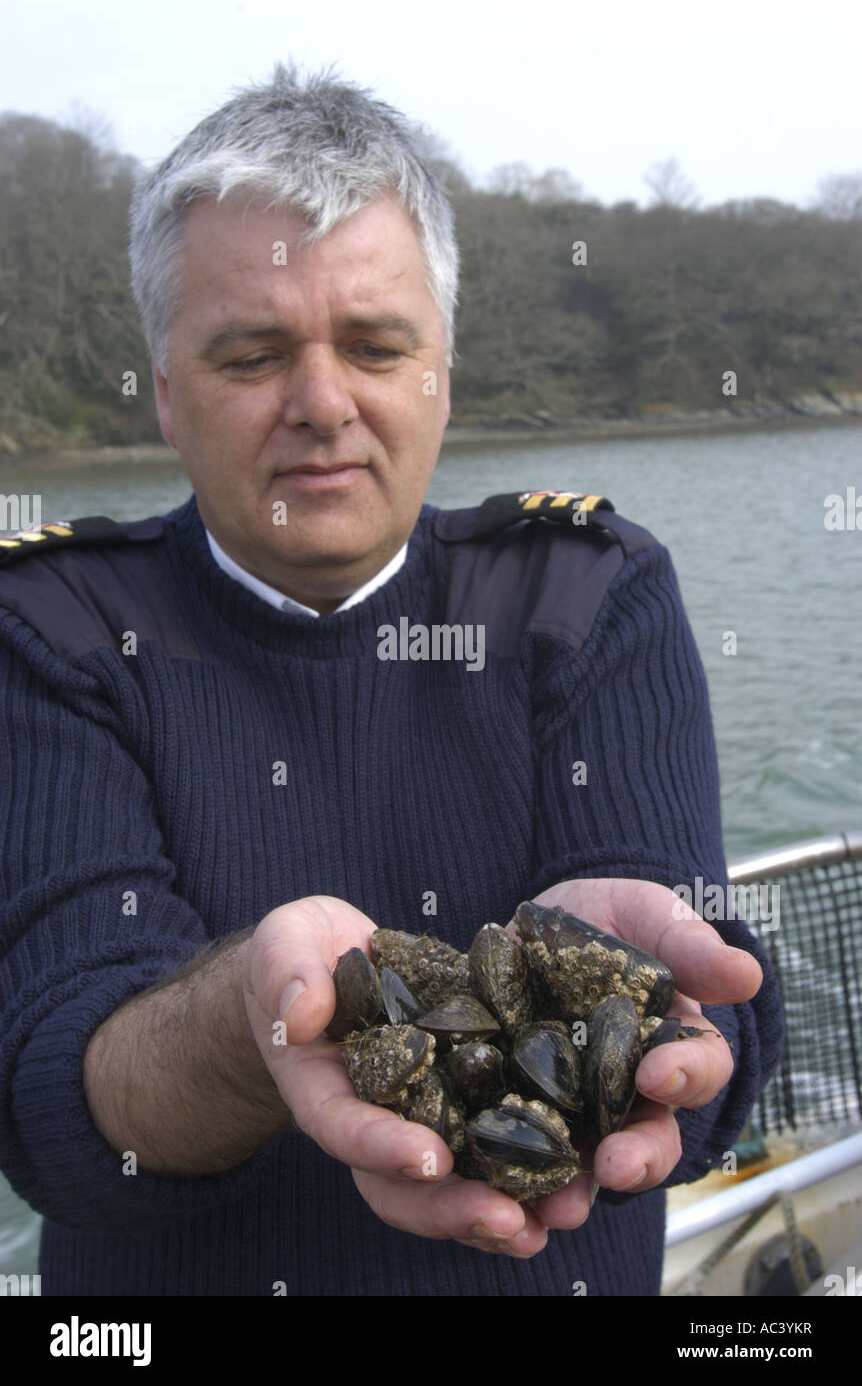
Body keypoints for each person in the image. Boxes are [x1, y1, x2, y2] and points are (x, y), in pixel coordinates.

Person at [0, 64, 782, 1296]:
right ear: (161, 393)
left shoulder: (588, 592)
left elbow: (711, 1000)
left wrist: (687, 1025)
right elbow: (57, 1094)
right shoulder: (51, 621)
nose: (322, 403)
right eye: (251, 354)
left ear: (444, 371)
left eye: (375, 344)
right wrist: (254, 1021)